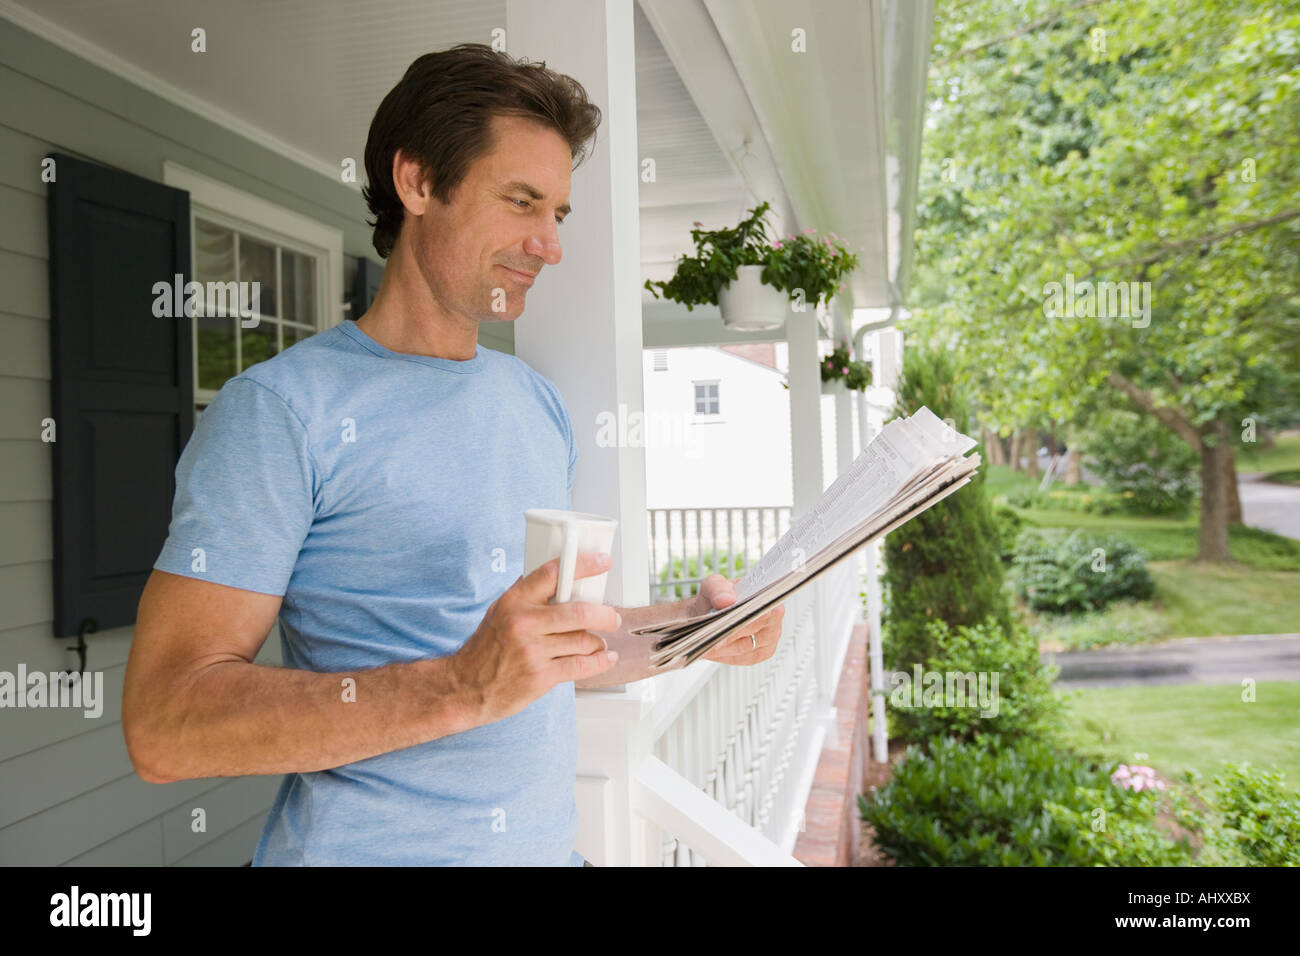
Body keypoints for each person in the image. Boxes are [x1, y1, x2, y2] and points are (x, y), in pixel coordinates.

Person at [122, 43, 786, 866]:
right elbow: (164, 725)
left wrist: (694, 629)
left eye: (559, 214)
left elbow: (546, 650)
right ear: (418, 183)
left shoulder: (534, 403)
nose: (549, 244)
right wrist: (461, 687)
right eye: (521, 201)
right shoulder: (283, 413)